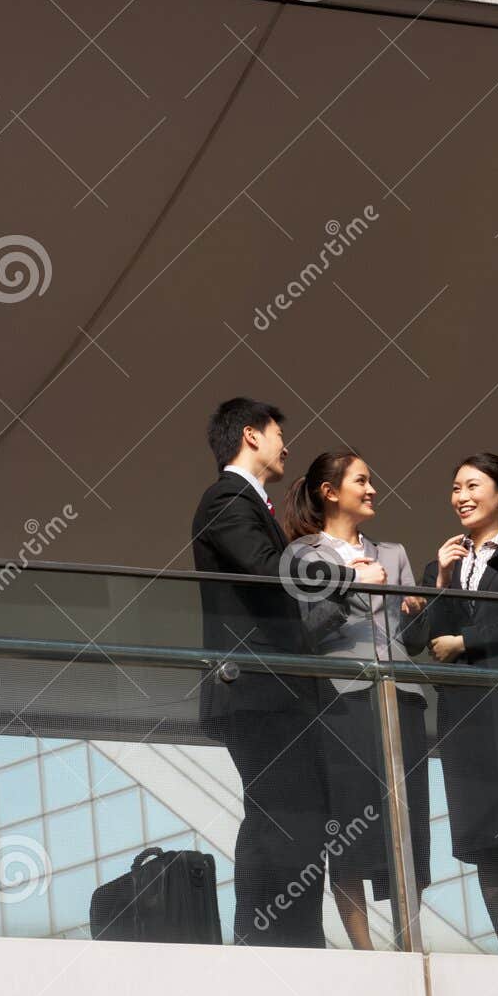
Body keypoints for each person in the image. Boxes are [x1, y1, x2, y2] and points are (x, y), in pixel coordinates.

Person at [191, 399, 377, 948]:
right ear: (250, 435)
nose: (285, 446)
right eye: (277, 434)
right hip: (255, 692)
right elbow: (268, 571)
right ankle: (273, 939)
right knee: (285, 813)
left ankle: (283, 937)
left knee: (291, 812)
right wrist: (343, 572)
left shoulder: (250, 504)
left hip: (273, 692)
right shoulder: (226, 498)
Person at [402, 454, 498, 956]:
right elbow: (416, 639)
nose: (460, 496)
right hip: (461, 716)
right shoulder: (437, 563)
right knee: (483, 836)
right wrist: (440, 581)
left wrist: (466, 640)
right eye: (455, 487)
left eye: (472, 485)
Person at [284, 451, 431, 950]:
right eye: (361, 481)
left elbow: (413, 638)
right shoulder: (304, 555)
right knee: (347, 825)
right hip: (341, 700)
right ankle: (364, 951)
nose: (372, 489)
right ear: (330, 492)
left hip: (401, 696)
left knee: (407, 820)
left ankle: (409, 942)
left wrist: (419, 606)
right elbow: (307, 629)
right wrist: (351, 585)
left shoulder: (394, 552)